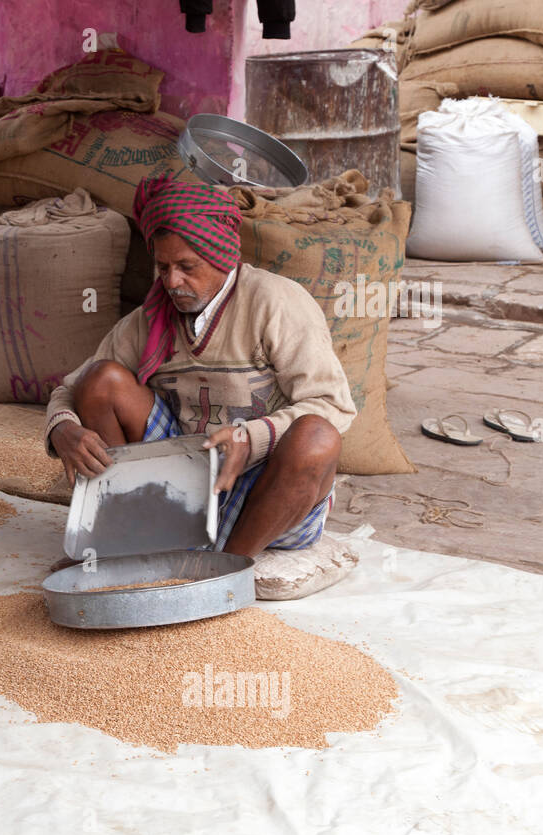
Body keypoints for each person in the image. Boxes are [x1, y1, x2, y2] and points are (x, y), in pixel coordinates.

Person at [44, 175, 356, 558]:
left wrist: (251, 437)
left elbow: (333, 405)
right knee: (100, 381)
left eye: (187, 266)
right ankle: (130, 532)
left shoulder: (276, 302)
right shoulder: (150, 319)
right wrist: (63, 429)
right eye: (163, 268)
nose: (173, 282)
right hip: (180, 488)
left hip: (264, 491)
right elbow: (72, 388)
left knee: (318, 437)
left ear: (220, 255)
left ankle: (226, 567)